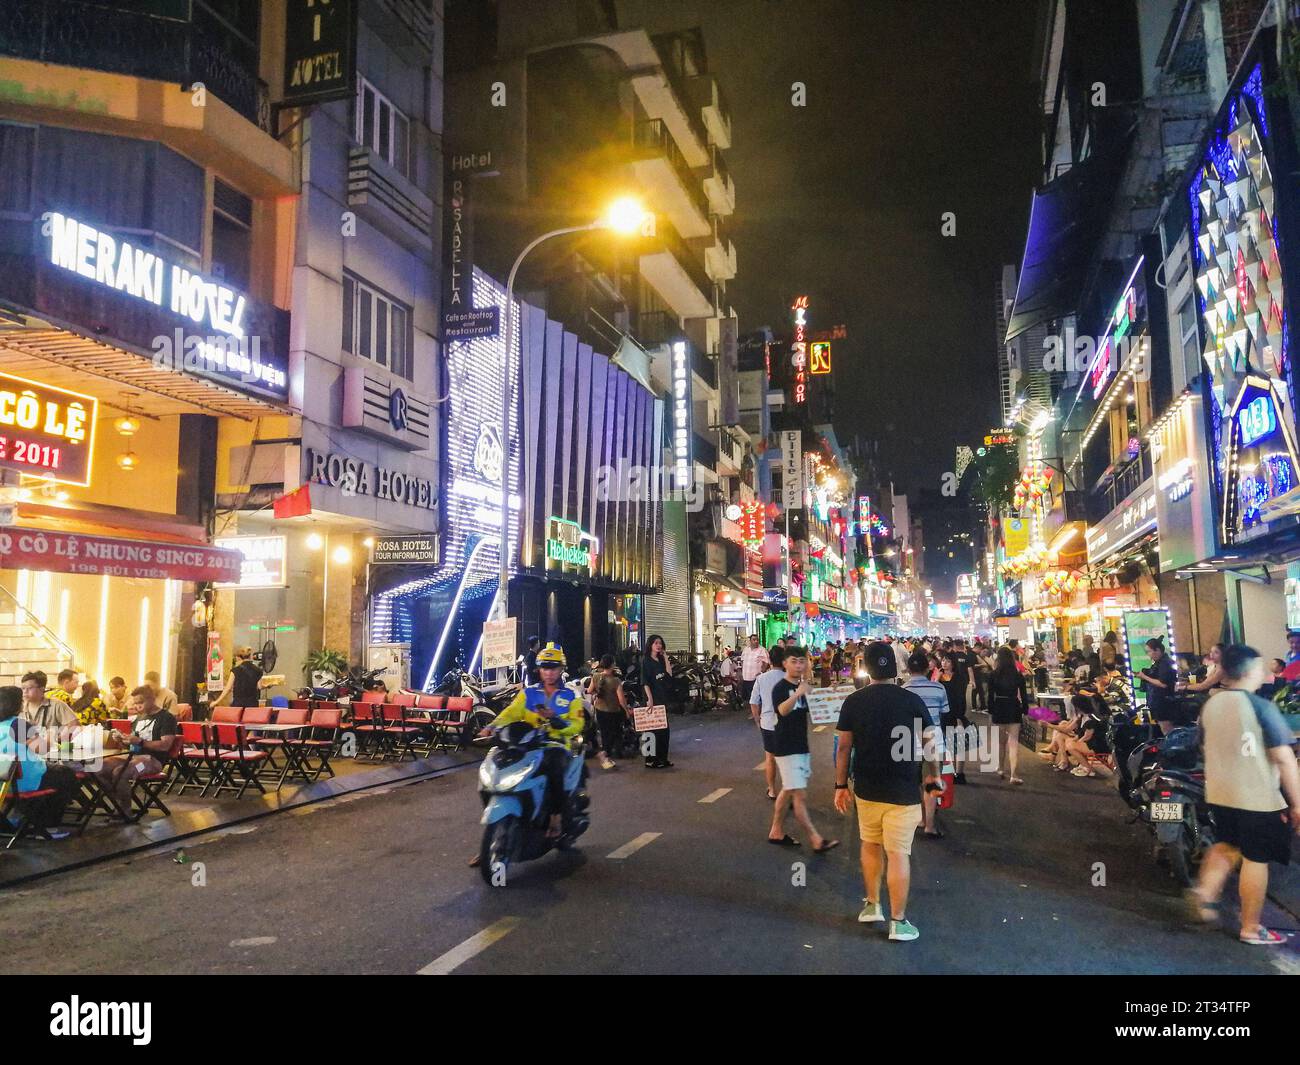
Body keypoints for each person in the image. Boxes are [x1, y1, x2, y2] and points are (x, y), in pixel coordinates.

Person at [1188, 644, 1300, 945]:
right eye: (1260, 667)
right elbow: (1285, 759)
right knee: (1256, 858)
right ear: (1249, 671)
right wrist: (1298, 804)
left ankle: (1205, 893)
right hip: (1257, 797)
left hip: (1221, 794)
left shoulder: (1211, 705)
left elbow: (1202, 745)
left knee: (1227, 845)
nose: (1263, 672)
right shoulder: (1260, 707)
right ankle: (1251, 928)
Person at [834, 641, 940, 942]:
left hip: (866, 788)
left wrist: (840, 785)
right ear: (896, 669)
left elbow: (843, 747)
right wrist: (933, 777)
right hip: (904, 789)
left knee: (869, 845)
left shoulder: (853, 702)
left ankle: (872, 906)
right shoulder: (912, 701)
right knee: (898, 854)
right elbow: (931, 743)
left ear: (866, 669)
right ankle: (899, 921)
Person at [768, 646, 839, 854]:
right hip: (787, 746)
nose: (799, 665)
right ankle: (816, 839)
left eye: (802, 661)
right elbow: (781, 710)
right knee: (798, 794)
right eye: (794, 661)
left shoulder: (802, 686)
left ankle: (776, 830)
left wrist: (831, 694)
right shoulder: (780, 687)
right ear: (784, 663)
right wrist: (797, 694)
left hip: (800, 746)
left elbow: (815, 709)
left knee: (788, 790)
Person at [0, 686, 76, 839]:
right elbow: (41, 749)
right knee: (66, 776)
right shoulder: (18, 724)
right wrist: (49, 735)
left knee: (57, 772)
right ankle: (48, 826)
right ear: (17, 704)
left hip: (2, 785)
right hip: (24, 782)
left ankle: (21, 816)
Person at [96, 685, 178, 813]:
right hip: (133, 757)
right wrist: (122, 741)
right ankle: (117, 800)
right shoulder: (138, 719)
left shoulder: (166, 718)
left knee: (120, 772)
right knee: (97, 768)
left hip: (152, 761)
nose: (137, 707)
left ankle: (124, 809)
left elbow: (165, 745)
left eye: (140, 703)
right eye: (135, 703)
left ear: (152, 699)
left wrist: (140, 742)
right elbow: (133, 746)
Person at [904, 649, 949, 838]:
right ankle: (930, 825)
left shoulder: (904, 690)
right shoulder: (938, 688)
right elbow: (944, 715)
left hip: (908, 741)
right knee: (931, 782)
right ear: (926, 668)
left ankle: (920, 819)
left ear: (907, 669)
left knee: (914, 783)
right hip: (933, 740)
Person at [750, 645, 787, 801]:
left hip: (768, 724)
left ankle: (772, 790)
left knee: (770, 758)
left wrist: (758, 720)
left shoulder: (761, 678)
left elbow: (753, 702)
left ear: (770, 660)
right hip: (787, 725)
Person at [988, 647, 1029, 784]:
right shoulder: (1018, 676)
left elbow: (990, 696)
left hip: (999, 706)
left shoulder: (993, 675)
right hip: (1013, 706)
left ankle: (1000, 768)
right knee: (1013, 743)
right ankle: (1014, 774)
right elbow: (1024, 695)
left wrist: (991, 710)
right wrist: (1025, 711)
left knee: (1001, 742)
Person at [585, 655, 627, 768]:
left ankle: (606, 755)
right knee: (615, 732)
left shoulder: (595, 676)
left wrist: (595, 695)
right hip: (613, 711)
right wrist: (627, 711)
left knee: (604, 733)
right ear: (612, 665)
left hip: (600, 710)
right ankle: (613, 754)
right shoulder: (616, 681)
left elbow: (589, 690)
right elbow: (621, 699)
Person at [641, 634, 673, 768]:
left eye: (660, 643)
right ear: (650, 645)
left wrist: (665, 658)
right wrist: (649, 699)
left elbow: (669, 675)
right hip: (652, 699)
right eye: (655, 643)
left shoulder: (660, 659)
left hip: (662, 698)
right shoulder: (646, 661)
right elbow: (645, 681)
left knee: (664, 731)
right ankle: (650, 760)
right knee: (651, 730)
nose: (658, 645)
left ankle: (662, 759)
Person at [1137, 638, 1181, 733]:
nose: (1148, 655)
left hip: (1164, 702)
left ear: (1157, 650)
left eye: (1149, 651)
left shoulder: (1164, 664)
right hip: (1160, 701)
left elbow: (1163, 684)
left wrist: (1144, 677)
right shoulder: (1160, 663)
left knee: (1167, 730)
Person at [739, 634, 769, 707]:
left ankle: (756, 713)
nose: (756, 641)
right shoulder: (746, 649)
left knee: (756, 697)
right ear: (750, 641)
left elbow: (766, 662)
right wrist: (741, 672)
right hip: (746, 677)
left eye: (757, 640)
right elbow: (742, 661)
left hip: (755, 678)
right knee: (748, 697)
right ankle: (753, 712)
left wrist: (762, 672)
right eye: (754, 640)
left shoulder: (762, 650)